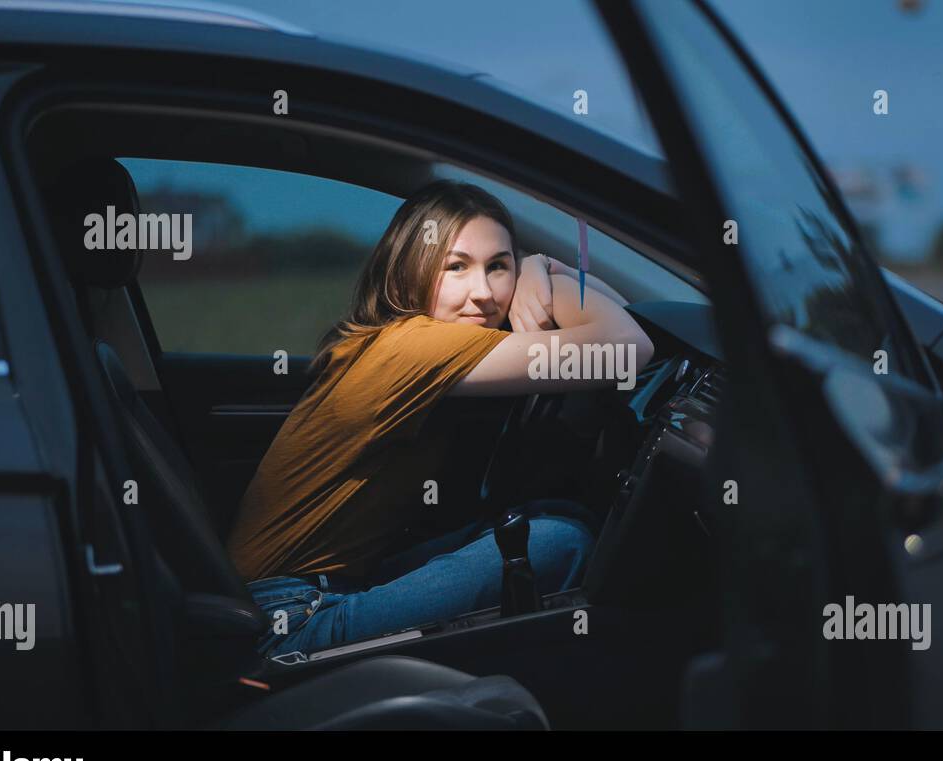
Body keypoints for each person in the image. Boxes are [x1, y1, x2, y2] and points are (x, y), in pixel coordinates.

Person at [225, 180, 654, 656]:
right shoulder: (417, 347)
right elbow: (626, 350)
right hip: (288, 620)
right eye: (457, 268)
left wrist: (540, 268)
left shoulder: (405, 340)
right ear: (410, 273)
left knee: (556, 522)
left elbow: (629, 313)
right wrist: (547, 271)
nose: (484, 295)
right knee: (561, 540)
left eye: (497, 267)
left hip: (305, 593)